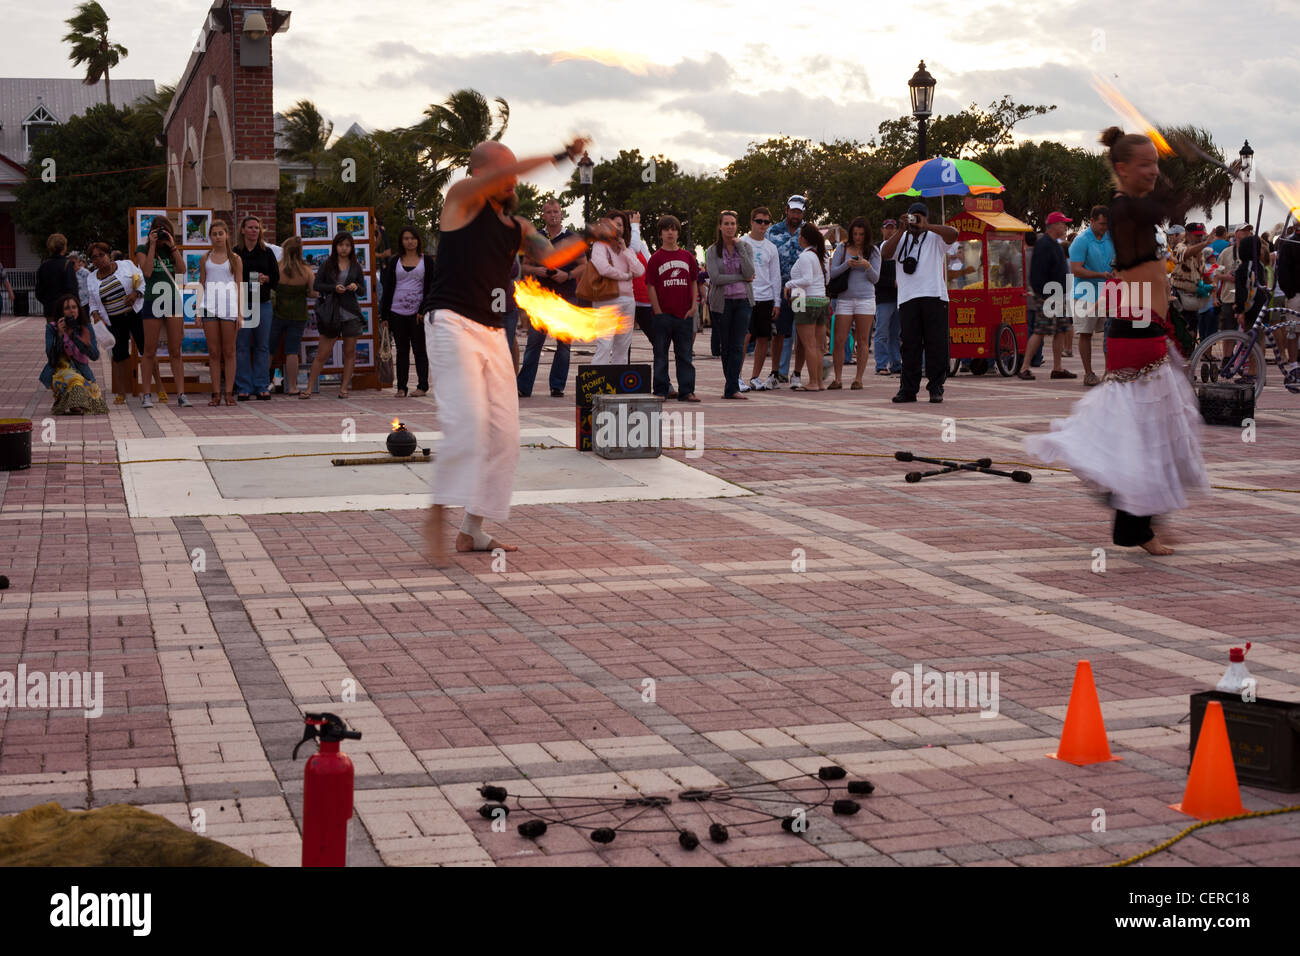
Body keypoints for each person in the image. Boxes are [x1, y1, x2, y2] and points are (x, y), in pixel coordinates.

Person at [1024, 126, 1209, 556]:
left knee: (1152, 425)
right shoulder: (1124, 209)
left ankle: (1139, 516)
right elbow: (1165, 207)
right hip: (1136, 324)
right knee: (1146, 424)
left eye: (1156, 164)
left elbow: (1164, 220)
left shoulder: (1134, 210)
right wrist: (1183, 167)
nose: (1152, 171)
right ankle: (1133, 521)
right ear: (1122, 169)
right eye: (1145, 165)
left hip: (1145, 321)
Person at [422, 137, 604, 565]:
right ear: (481, 175)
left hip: (492, 331)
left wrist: (592, 233)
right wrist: (562, 156)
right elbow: (510, 173)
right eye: (503, 173)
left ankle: (472, 529)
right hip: (451, 322)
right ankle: (436, 511)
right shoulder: (461, 199)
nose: (511, 180)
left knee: (505, 435)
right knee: (468, 424)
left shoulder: (517, 227)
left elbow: (556, 254)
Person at [880, 202, 959, 403]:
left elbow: (954, 234)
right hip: (907, 298)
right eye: (912, 217)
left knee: (936, 345)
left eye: (919, 216)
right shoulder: (900, 238)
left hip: (935, 296)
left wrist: (927, 226)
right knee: (909, 347)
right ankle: (908, 390)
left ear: (925, 217)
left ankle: (936, 388)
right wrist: (900, 230)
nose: (915, 221)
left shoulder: (934, 237)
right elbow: (885, 254)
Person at [518, 198, 584, 398]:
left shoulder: (572, 238)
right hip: (541, 299)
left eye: (556, 211)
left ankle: (557, 386)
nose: (553, 215)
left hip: (566, 297)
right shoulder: (536, 238)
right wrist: (538, 270)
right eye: (549, 212)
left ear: (561, 214)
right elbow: (524, 266)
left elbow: (584, 264)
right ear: (543, 215)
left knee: (564, 345)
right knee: (534, 342)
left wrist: (568, 275)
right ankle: (524, 386)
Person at [135, 216, 190, 407]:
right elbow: (147, 272)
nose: (160, 233)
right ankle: (147, 394)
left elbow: (182, 271)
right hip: (153, 300)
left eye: (163, 230)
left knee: (175, 349)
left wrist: (173, 246)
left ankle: (181, 394)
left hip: (172, 299)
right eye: (156, 230)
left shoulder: (171, 250)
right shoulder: (142, 250)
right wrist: (151, 246)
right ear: (150, 231)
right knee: (149, 350)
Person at [645, 214, 699, 403]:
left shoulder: (687, 257)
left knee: (684, 355)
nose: (670, 232)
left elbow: (693, 282)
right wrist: (657, 310)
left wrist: (693, 306)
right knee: (660, 355)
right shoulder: (655, 259)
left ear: (678, 232)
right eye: (666, 229)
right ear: (660, 233)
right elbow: (650, 286)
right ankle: (661, 390)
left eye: (673, 229)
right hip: (663, 315)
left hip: (684, 314)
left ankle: (687, 391)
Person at [305, 231, 364, 399]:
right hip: (331, 313)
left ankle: (344, 388)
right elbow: (317, 285)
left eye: (347, 245)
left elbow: (362, 290)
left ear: (351, 247)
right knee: (322, 353)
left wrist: (355, 287)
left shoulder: (355, 265)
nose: (344, 248)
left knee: (350, 352)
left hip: (351, 313)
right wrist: (333, 288)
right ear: (335, 246)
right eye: (340, 245)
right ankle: (309, 388)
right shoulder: (327, 264)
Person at [1017, 212, 1076, 381]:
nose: (1065, 227)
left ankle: (1057, 368)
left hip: (1058, 295)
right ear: (1054, 225)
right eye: (1062, 224)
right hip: (1048, 296)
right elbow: (1037, 273)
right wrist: (1043, 295)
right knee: (1040, 331)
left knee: (1061, 330)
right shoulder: (1044, 245)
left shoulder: (1055, 244)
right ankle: (1025, 367)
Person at [86, 241, 146, 405]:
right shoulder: (91, 278)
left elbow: (141, 281)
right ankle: (121, 392)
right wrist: (95, 312)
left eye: (101, 255)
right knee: (119, 355)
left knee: (145, 349)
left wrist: (136, 293)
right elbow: (92, 301)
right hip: (114, 319)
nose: (99, 260)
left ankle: (155, 389)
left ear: (108, 254)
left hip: (133, 313)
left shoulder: (125, 265)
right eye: (94, 258)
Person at [379, 226, 436, 396]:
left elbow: (431, 288)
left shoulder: (427, 261)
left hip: (417, 313)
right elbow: (387, 288)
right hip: (396, 312)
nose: (410, 241)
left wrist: (423, 309)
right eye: (406, 238)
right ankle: (401, 387)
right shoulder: (395, 261)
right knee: (402, 351)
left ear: (418, 240)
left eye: (413, 238)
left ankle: (422, 386)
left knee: (420, 350)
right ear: (401, 241)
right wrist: (385, 314)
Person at [705, 210, 755, 398]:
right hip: (722, 303)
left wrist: (740, 248)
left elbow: (750, 270)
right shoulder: (712, 251)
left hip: (743, 301)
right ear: (720, 226)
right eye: (726, 223)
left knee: (737, 345)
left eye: (733, 223)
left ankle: (732, 387)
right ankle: (731, 385)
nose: (730, 227)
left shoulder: (745, 247)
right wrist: (742, 278)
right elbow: (716, 278)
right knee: (725, 346)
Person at [827, 216, 880, 390]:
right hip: (845, 299)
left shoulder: (873, 252)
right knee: (839, 339)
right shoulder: (842, 248)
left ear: (867, 235)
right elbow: (833, 273)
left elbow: (875, 278)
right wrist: (847, 264)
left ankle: (858, 378)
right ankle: (838, 378)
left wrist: (866, 265)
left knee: (863, 340)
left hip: (865, 299)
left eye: (861, 234)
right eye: (855, 234)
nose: (858, 237)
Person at [231, 216, 280, 401]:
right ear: (242, 230)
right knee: (241, 346)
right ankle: (243, 386)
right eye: (250, 227)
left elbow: (276, 278)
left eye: (257, 228)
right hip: (242, 303)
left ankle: (261, 385)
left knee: (262, 346)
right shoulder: (235, 252)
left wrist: (266, 279)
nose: (254, 231)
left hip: (263, 302)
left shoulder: (267, 252)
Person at [1069, 205, 1116, 387]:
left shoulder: (1110, 238)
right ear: (1092, 221)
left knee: (1110, 332)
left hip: (1108, 292)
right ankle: (1088, 373)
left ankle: (1109, 371)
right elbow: (1076, 269)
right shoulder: (1081, 240)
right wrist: (1100, 274)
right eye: (1102, 223)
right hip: (1084, 293)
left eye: (1107, 224)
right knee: (1085, 333)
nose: (1105, 227)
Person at [589, 209, 643, 365]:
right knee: (604, 345)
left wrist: (625, 250)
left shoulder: (627, 249)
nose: (619, 228)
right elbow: (603, 268)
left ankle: (618, 385)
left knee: (623, 347)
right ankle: (598, 385)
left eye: (622, 226)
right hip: (607, 300)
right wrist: (625, 276)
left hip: (628, 301)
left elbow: (639, 270)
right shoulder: (600, 245)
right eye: (616, 224)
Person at [198, 220, 242, 406]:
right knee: (214, 352)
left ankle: (229, 392)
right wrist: (198, 311)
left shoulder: (235, 258)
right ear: (210, 237)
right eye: (214, 234)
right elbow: (201, 284)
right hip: (209, 306)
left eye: (220, 233)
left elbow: (240, 285)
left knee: (229, 351)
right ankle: (216, 393)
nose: (217, 237)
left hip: (229, 307)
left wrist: (240, 313)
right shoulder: (205, 258)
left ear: (227, 235)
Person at [41, 293, 108, 415]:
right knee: (75, 381)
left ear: (79, 309)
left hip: (82, 371)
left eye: (74, 307)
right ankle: (73, 403)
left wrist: (84, 343)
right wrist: (60, 335)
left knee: (95, 396)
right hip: (59, 371)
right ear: (61, 312)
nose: (71, 311)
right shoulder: (52, 328)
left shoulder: (85, 327)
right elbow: (51, 358)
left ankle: (70, 401)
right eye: (67, 308)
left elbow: (94, 356)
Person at [738, 206, 781, 390]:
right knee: (744, 337)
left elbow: (775, 276)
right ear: (751, 222)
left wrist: (777, 302)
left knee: (763, 338)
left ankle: (755, 377)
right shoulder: (741, 243)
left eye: (766, 222)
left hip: (766, 297)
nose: (762, 225)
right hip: (746, 296)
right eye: (759, 221)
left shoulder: (771, 248)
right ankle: (736, 377)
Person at [785, 222, 830, 391]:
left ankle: (812, 382)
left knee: (809, 344)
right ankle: (818, 381)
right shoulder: (820, 255)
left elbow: (807, 280)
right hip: (820, 300)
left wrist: (789, 284)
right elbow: (827, 279)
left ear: (803, 238)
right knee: (818, 345)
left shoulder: (805, 256)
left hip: (804, 299)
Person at [766, 195, 807, 385]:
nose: (795, 215)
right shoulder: (773, 231)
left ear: (803, 212)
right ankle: (776, 372)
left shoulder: (809, 231)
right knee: (779, 333)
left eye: (799, 211)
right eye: (793, 211)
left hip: (801, 290)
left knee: (801, 333)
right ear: (786, 210)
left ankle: (797, 374)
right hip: (779, 289)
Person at [269, 237, 314, 397]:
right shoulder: (306, 271)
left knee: (269, 349)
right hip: (298, 314)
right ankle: (293, 386)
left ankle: (262, 383)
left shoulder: (277, 268)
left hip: (277, 313)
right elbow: (313, 292)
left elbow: (271, 287)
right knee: (292, 351)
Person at [872, 218, 902, 375]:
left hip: (899, 297)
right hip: (883, 298)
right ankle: (881, 364)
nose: (890, 231)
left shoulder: (899, 248)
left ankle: (896, 363)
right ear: (882, 230)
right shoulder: (876, 250)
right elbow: (874, 276)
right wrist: (893, 282)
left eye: (893, 228)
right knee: (882, 333)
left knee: (895, 334)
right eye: (887, 228)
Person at [627, 211, 654, 367]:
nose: (637, 227)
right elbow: (634, 249)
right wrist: (634, 226)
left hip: (644, 301)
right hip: (627, 300)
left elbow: (650, 266)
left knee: (657, 340)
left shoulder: (642, 244)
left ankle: (663, 382)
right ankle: (622, 379)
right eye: (633, 224)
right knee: (625, 344)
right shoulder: (625, 244)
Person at [35, 233, 79, 320]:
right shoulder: (67, 264)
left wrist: (47, 302)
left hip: (50, 310)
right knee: (67, 333)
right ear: (64, 247)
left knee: (52, 332)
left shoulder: (43, 266)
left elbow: (38, 292)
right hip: (66, 311)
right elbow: (73, 290)